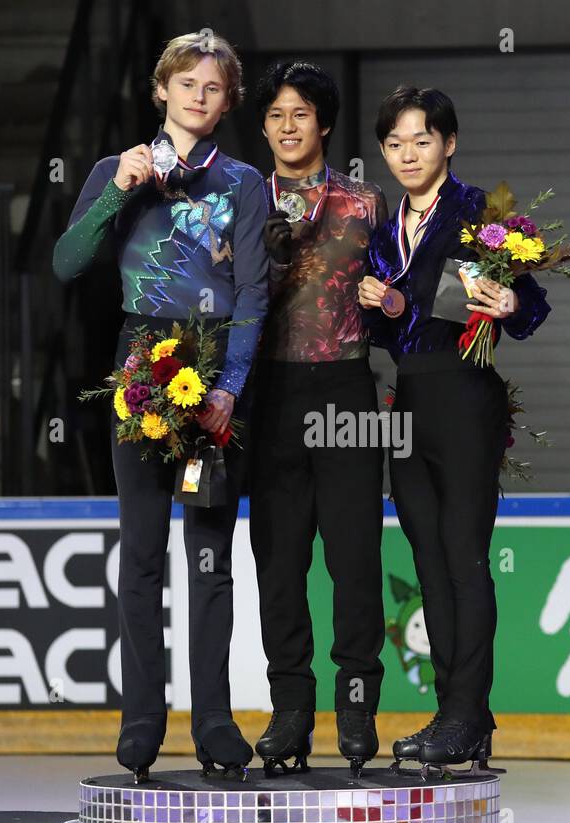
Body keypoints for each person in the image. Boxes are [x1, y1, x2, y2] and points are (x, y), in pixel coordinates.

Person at [53, 31, 269, 779]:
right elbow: (66, 261)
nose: (198, 97)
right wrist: (118, 189)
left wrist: (230, 385)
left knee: (208, 555)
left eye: (213, 88)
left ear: (227, 99)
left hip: (213, 371)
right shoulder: (120, 170)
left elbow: (252, 292)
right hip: (140, 364)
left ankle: (213, 723)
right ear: (161, 90)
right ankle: (142, 721)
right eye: (186, 84)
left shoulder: (243, 181)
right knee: (141, 552)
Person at [358, 87, 551, 772]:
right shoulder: (384, 232)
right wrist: (377, 305)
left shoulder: (477, 214)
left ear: (449, 143)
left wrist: (511, 301)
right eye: (395, 143)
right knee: (429, 561)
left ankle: (469, 714)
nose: (408, 154)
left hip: (466, 392)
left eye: (422, 139)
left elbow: (530, 308)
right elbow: (387, 330)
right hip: (409, 395)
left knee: (465, 557)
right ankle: (453, 714)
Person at [248, 62, 388, 776]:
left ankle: (357, 703)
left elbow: (402, 298)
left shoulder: (366, 203)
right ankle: (290, 711)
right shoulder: (243, 200)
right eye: (275, 114)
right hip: (269, 395)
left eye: (300, 113)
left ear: (324, 123)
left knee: (355, 553)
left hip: (345, 390)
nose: (287, 126)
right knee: (278, 557)